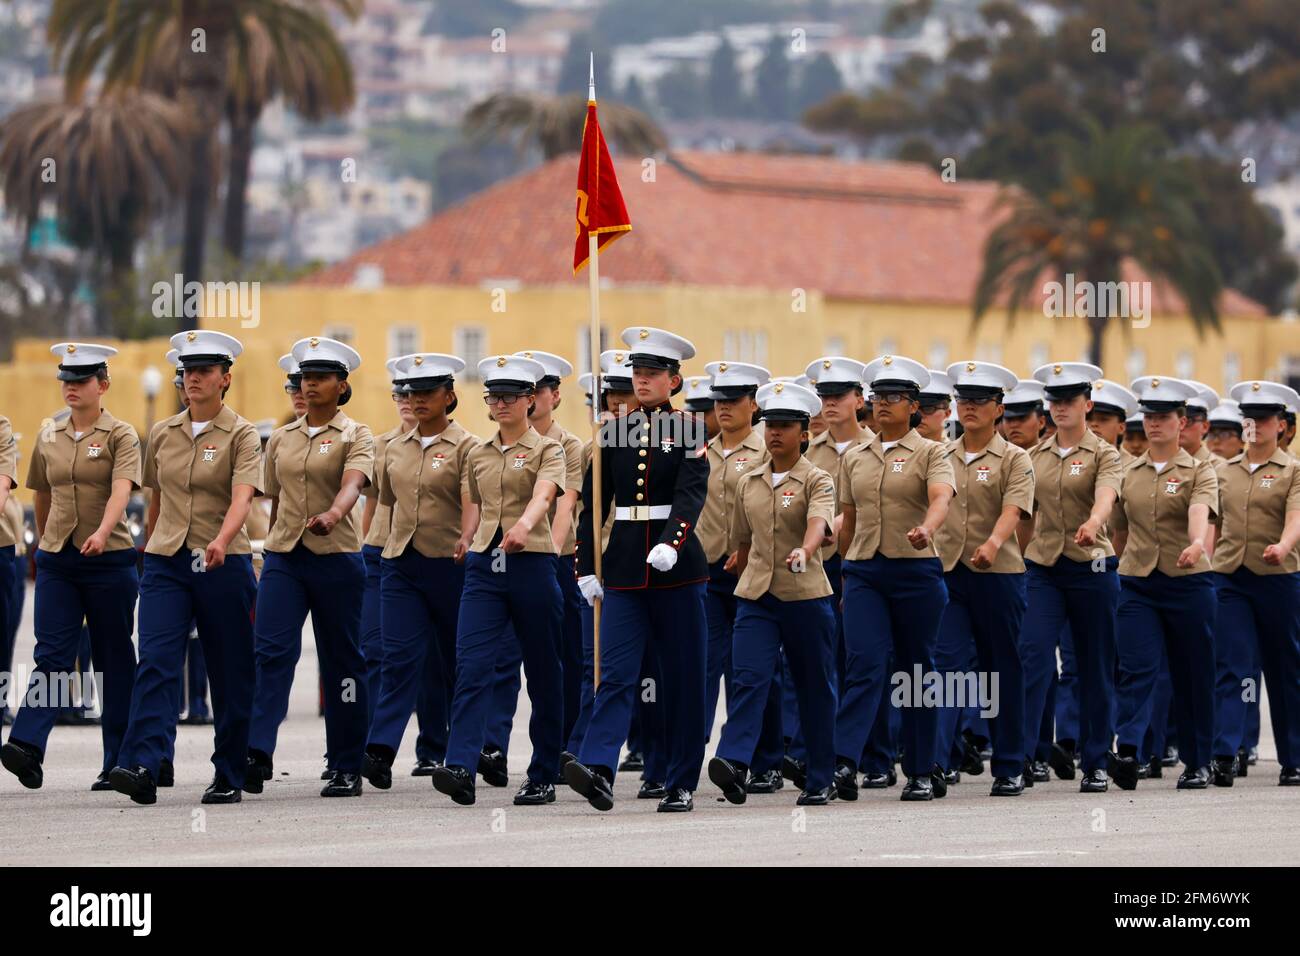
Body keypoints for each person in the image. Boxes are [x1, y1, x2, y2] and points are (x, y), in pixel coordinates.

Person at [109, 331, 261, 806]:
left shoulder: (242, 434)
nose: (192, 378)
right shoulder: (163, 434)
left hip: (224, 561)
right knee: (155, 660)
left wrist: (219, 540)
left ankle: (230, 771)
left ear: (225, 378)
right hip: (166, 562)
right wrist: (149, 549)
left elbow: (243, 497)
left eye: (204, 371)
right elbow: (156, 498)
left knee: (229, 669)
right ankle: (143, 764)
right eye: (187, 371)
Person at [566, 327, 709, 813]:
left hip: (677, 569)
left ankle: (681, 779)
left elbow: (691, 494)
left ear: (674, 380)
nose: (642, 380)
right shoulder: (611, 431)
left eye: (652, 373)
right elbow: (593, 505)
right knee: (616, 673)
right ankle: (600, 768)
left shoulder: (690, 428)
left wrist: (673, 541)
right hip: (624, 568)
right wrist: (585, 565)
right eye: (637, 373)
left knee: (682, 678)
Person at [1, 344, 140, 792]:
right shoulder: (49, 435)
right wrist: (45, 544)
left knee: (113, 658)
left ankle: (118, 760)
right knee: (53, 654)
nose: (71, 388)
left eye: (81, 380)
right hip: (60, 560)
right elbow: (40, 492)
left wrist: (103, 531)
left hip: (110, 558)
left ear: (103, 385)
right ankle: (27, 745)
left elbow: (122, 489)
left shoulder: (121, 434)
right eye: (66, 380)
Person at [430, 355, 566, 807]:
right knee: (471, 665)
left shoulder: (550, 448)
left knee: (543, 670)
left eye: (511, 396)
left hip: (532, 563)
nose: (502, 403)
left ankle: (544, 772)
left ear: (531, 400)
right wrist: (467, 537)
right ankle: (461, 766)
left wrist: (526, 526)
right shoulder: (478, 453)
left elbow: (545, 494)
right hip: (485, 567)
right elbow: (475, 502)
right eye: (494, 396)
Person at [246, 336, 374, 798]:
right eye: (305, 377)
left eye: (320, 378)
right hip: (285, 557)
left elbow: (353, 484)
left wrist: (335, 515)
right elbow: (273, 497)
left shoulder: (355, 435)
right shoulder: (281, 437)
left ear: (342, 386)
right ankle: (256, 752)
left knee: (342, 665)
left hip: (337, 558)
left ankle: (344, 764)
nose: (310, 384)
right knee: (271, 652)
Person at [708, 381, 839, 805]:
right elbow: (742, 536)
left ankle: (821, 774)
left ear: (804, 433)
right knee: (749, 677)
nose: (775, 433)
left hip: (805, 596)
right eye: (770, 425)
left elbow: (820, 522)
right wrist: (739, 557)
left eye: (785, 426)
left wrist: (807, 546)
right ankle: (734, 761)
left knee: (813, 686)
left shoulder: (817, 479)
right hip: (756, 596)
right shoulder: (750, 482)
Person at [836, 355, 955, 801]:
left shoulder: (932, 452)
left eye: (894, 398)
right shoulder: (856, 457)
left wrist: (929, 527)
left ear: (913, 407)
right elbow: (848, 519)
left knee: (917, 669)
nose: (882, 404)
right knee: (863, 662)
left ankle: (922, 768)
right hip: (865, 571)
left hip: (916, 570)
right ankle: (844, 761)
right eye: (877, 397)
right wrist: (846, 574)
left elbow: (942, 496)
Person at [361, 354, 477, 790]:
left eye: (429, 392)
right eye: (413, 392)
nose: (419, 400)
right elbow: (386, 502)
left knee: (453, 661)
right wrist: (372, 546)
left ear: (450, 396)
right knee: (398, 658)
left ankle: (458, 746)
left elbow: (472, 500)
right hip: (400, 564)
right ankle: (380, 748)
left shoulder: (467, 447)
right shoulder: (393, 447)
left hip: (449, 564)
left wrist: (467, 538)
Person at [478, 350, 585, 783]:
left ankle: (560, 748)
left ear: (552, 395)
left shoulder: (567, 446)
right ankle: (493, 747)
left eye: (537, 389)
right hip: (504, 559)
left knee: (558, 662)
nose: (529, 397)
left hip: (553, 560)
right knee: (502, 659)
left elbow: (564, 505)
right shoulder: (493, 446)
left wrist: (550, 553)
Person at [1111, 376, 1219, 790]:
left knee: (1192, 673)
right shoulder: (1130, 472)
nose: (1154, 424)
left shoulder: (1200, 470)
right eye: (1149, 417)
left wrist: (1195, 544)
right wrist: (1119, 566)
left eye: (1163, 417)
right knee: (1137, 669)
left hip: (1188, 583)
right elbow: (1120, 531)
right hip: (1138, 583)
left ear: (1182, 421)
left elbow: (1199, 511)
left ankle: (1197, 761)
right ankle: (1130, 752)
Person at [1019, 362, 1123, 793]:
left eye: (1069, 401)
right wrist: (1018, 557)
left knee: (1095, 665)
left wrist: (1094, 522)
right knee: (1032, 656)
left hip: (1092, 567)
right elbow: (1025, 513)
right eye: (1055, 401)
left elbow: (1107, 496)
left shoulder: (1105, 454)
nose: (1061, 408)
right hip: (1043, 567)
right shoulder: (1033, 457)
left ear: (1088, 404)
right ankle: (1021, 757)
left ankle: (1096, 760)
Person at [932, 361, 1035, 796]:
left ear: (999, 409)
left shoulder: (1015, 458)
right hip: (951, 574)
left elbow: (1014, 509)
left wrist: (994, 542)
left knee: (1001, 668)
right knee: (947, 667)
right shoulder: (941, 454)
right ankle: (935, 763)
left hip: (998, 574)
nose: (969, 408)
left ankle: (1010, 763)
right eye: (963, 400)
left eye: (980, 401)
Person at [1210, 380, 1300, 787]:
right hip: (1232, 579)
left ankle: (1293, 758)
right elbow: (1210, 520)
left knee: (1285, 670)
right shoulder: (1222, 471)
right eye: (1249, 419)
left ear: (1281, 425)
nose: (1255, 426)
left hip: (1279, 580)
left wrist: (1283, 545)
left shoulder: (1293, 470)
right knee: (1234, 666)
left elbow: (1297, 517)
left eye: (1264, 420)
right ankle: (1226, 752)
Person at [797, 357, 878, 788]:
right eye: (823, 396)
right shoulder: (809, 449)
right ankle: (823, 753)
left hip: (862, 562)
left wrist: (835, 528)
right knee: (821, 662)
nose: (829, 404)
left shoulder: (877, 445)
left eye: (838, 396)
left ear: (858, 400)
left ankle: (877, 757)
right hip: (817, 567)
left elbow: (865, 506)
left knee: (864, 662)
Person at [696, 361, 772, 778]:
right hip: (706, 573)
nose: (724, 408)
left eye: (734, 400)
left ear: (754, 405)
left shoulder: (766, 452)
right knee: (705, 664)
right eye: (719, 400)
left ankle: (764, 760)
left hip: (755, 576)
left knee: (751, 670)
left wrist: (751, 551)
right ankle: (691, 756)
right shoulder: (700, 452)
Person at [1087, 380, 1138, 460]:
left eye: (1103, 419)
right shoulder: (1069, 463)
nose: (1094, 424)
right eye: (1088, 418)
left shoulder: (1135, 469)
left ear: (1121, 427)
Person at [917, 371, 954, 442]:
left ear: (947, 413)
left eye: (928, 409)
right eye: (914, 409)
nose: (919, 415)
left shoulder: (954, 452)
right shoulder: (892, 450)